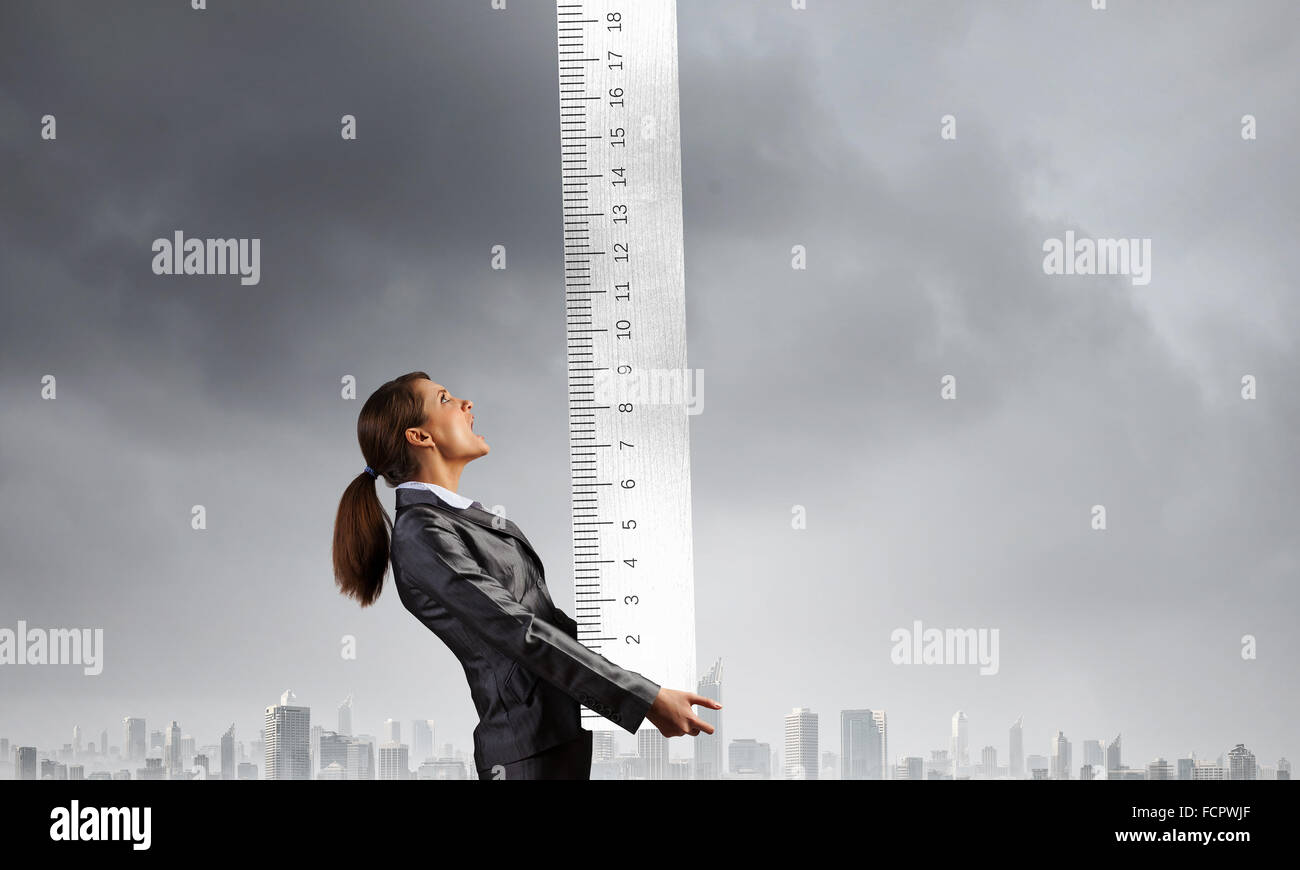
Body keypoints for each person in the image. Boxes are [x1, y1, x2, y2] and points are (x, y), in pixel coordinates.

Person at [332, 371, 719, 779]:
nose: (467, 404)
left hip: (553, 739)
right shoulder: (422, 535)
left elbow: (545, 620)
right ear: (420, 437)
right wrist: (646, 700)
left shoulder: (456, 519)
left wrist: (642, 661)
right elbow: (520, 630)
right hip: (525, 753)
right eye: (444, 399)